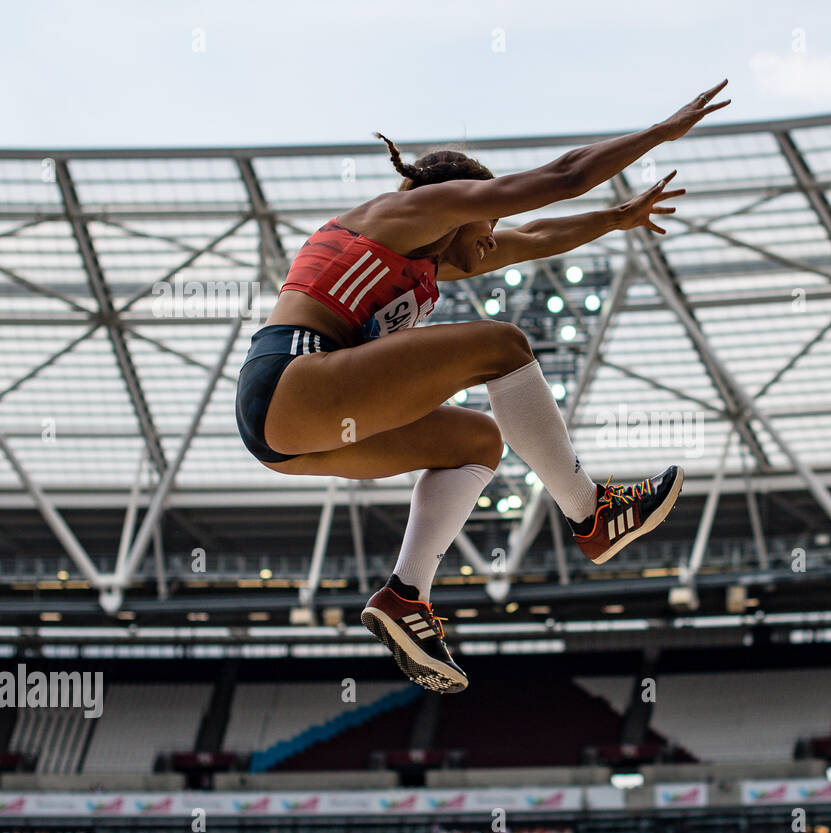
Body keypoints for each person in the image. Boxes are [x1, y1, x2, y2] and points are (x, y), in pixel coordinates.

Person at [234, 82, 732, 692]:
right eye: (488, 223)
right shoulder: (407, 214)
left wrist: (618, 219)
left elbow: (538, 238)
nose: (492, 239)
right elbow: (566, 174)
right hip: (291, 376)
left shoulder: (426, 252)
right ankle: (591, 514)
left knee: (477, 441)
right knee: (501, 345)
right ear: (458, 203)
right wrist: (659, 133)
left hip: (291, 430)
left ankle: (404, 596)